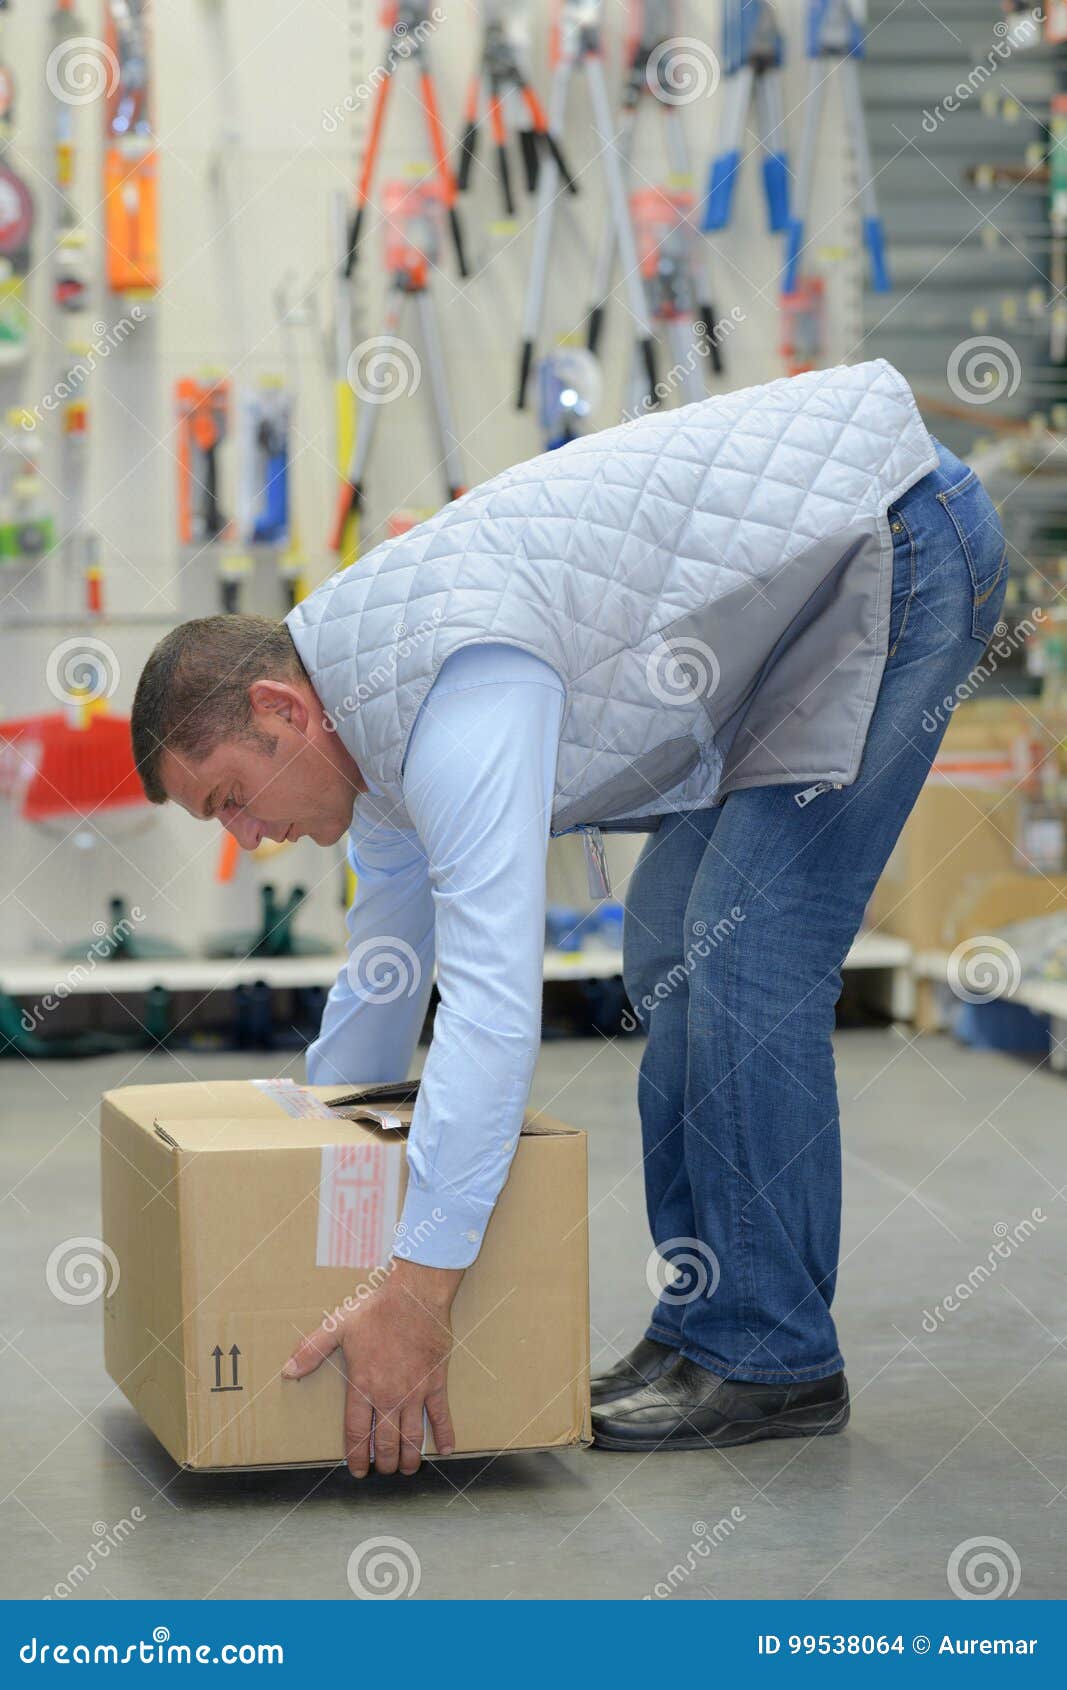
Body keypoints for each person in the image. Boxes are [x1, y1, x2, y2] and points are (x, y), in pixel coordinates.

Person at [130, 360, 1007, 1478]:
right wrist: (308, 1174)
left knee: (740, 952)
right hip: (801, 597)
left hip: (890, 536)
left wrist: (417, 1289)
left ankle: (772, 1354)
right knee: (664, 944)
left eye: (231, 801)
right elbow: (389, 972)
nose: (244, 838)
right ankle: (703, 1327)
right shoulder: (363, 723)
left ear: (277, 710)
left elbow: (495, 1001)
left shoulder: (453, 692)